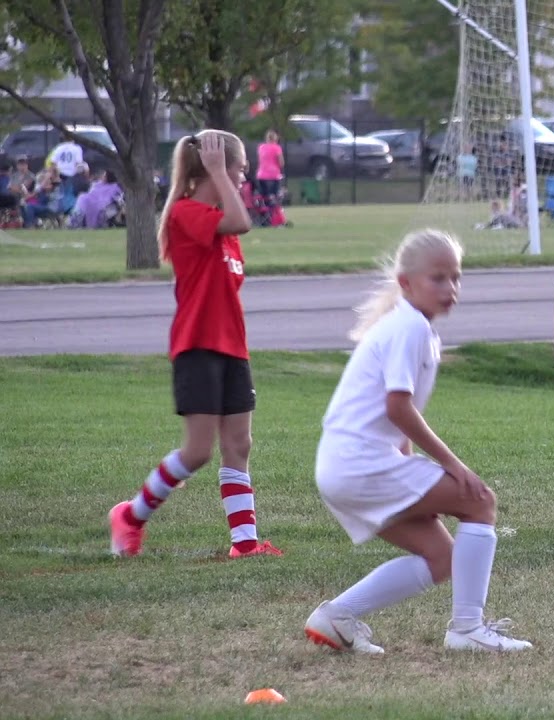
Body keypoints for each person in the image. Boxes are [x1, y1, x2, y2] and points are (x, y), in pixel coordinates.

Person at [305, 230, 532, 655]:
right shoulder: (408, 327)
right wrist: (454, 466)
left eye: (456, 277)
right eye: (438, 278)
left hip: (341, 467)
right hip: (359, 465)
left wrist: (410, 462)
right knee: (479, 501)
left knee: (442, 557)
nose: (451, 288)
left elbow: (392, 422)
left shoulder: (414, 328)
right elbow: (398, 409)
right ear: (406, 283)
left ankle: (336, 616)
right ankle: (467, 629)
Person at [106, 131, 281, 559]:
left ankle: (245, 545)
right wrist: (222, 172)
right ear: (215, 167)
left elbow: (238, 223)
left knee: (239, 445)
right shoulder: (186, 213)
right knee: (198, 450)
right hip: (197, 346)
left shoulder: (225, 226)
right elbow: (240, 219)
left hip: (233, 348)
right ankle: (130, 516)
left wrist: (224, 178)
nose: (243, 179)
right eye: (240, 170)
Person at [256, 129, 285, 206]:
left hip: (261, 174)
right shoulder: (277, 148)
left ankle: (264, 211)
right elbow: (281, 163)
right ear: (275, 138)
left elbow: (261, 160)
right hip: (274, 174)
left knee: (264, 195)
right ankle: (274, 212)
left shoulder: (261, 147)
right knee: (275, 195)